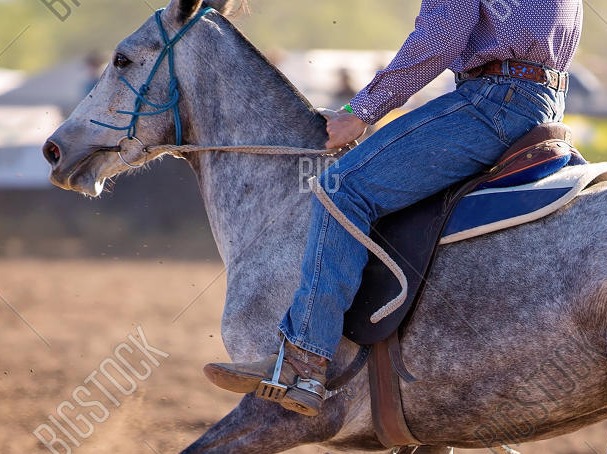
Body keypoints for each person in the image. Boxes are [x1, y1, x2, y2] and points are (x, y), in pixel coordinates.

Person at [206, 0, 581, 417]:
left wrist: (359, 112)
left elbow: (439, 37)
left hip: (492, 101)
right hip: (541, 100)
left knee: (341, 187)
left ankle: (304, 360)